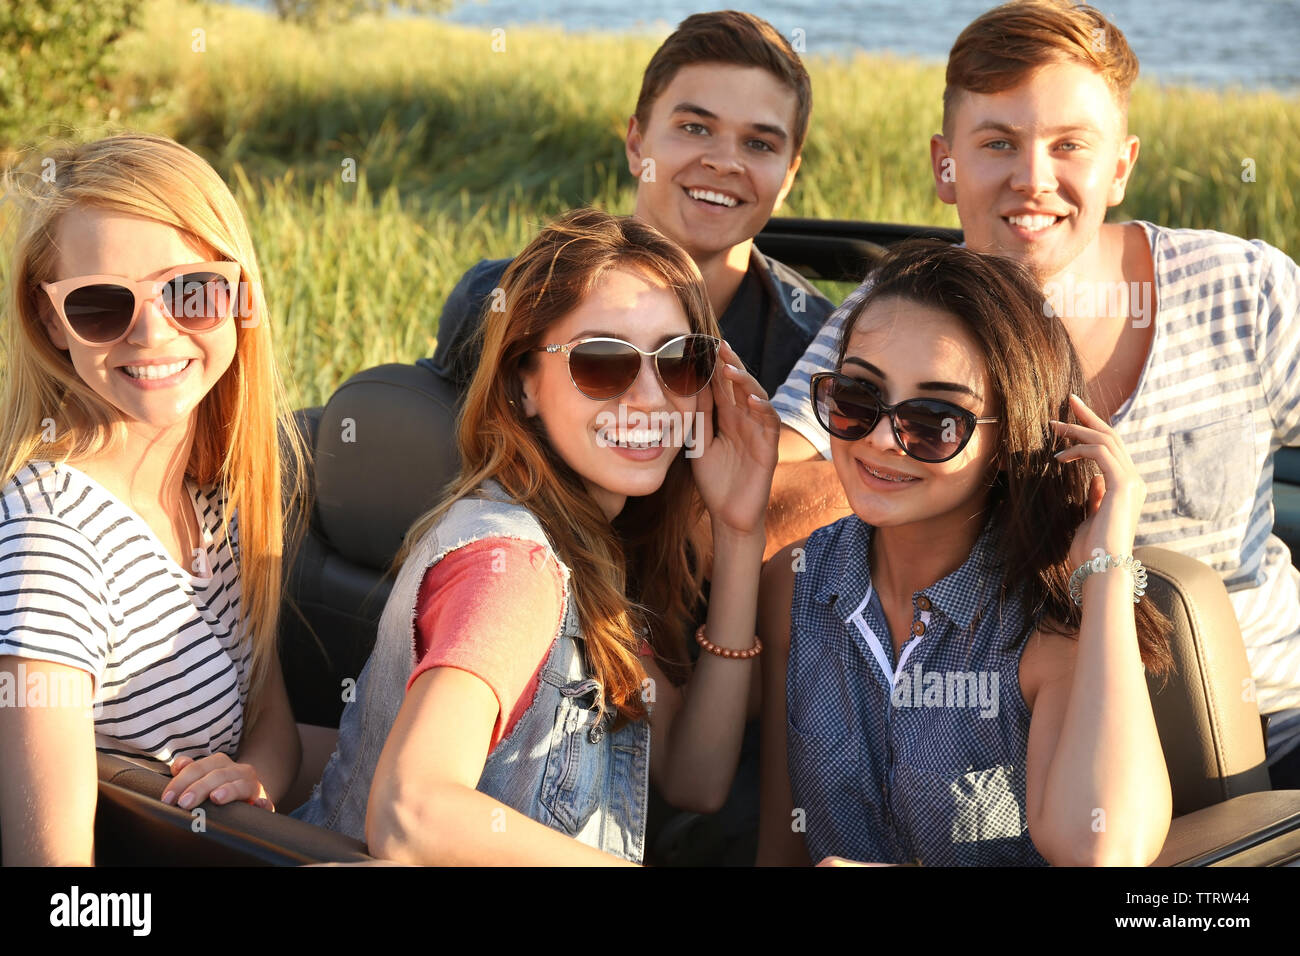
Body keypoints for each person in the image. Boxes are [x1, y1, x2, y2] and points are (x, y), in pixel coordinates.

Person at [768, 0, 1300, 786]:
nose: (1033, 179)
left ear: (1120, 166)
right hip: (1020, 762)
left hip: (1269, 723)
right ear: (945, 166)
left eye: (1070, 145)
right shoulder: (900, 318)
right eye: (998, 143)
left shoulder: (1242, 290)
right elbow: (769, 500)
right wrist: (926, 454)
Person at [294, 208, 779, 864]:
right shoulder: (514, 566)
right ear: (523, 383)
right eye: (603, 362)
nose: (650, 398)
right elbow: (410, 812)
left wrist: (739, 531)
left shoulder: (587, 553)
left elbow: (694, 777)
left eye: (679, 362)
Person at [758, 240, 1174, 866]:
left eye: (935, 419)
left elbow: (1101, 850)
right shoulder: (798, 582)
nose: (881, 439)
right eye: (856, 398)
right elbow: (782, 847)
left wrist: (1108, 573)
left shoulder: (1054, 629)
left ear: (1012, 440)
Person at [0, 134, 306, 865]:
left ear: (238, 297)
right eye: (101, 305)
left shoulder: (210, 489)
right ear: (52, 322)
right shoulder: (51, 545)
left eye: (190, 292)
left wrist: (252, 777)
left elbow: (271, 719)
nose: (152, 332)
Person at [425, 10, 833, 401]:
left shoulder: (820, 355)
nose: (724, 162)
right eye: (695, 127)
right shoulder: (495, 302)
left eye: (759, 143)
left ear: (788, 177)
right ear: (637, 145)